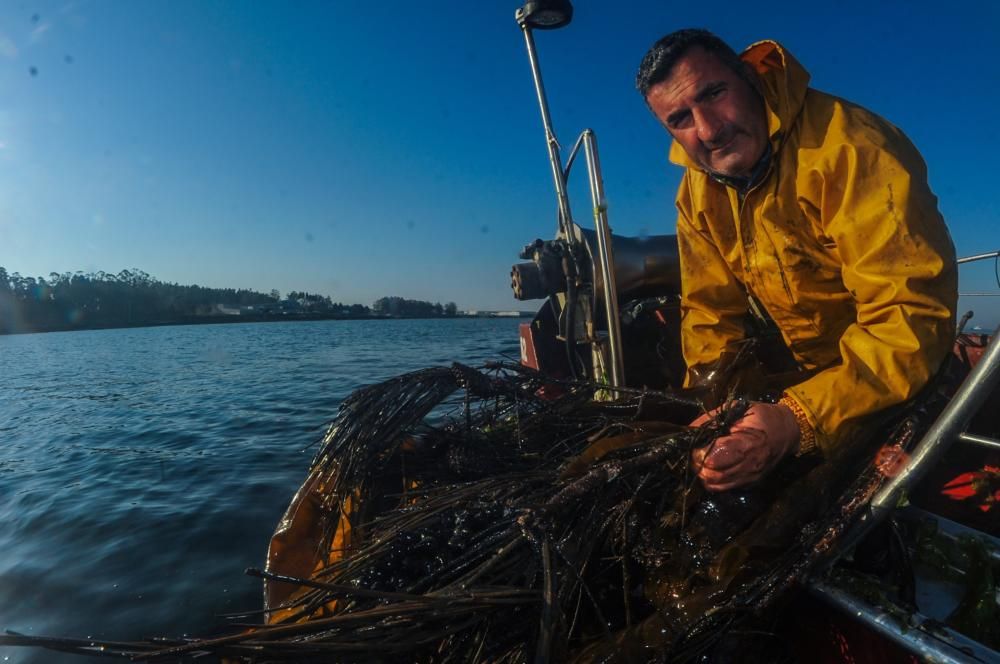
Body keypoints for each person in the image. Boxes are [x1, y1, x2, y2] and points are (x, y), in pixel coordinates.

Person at [636, 29, 958, 491]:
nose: (708, 129)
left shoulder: (851, 148)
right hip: (813, 373)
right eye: (681, 118)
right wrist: (717, 417)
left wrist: (797, 420)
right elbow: (710, 315)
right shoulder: (696, 192)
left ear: (749, 76)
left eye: (714, 93)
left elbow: (911, 316)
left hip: (905, 372)